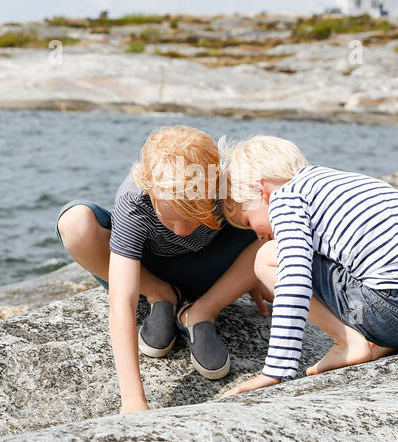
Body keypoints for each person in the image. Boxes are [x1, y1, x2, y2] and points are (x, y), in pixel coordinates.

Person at [219, 135, 398, 396]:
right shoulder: (347, 181)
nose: (259, 234)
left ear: (258, 191)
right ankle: (386, 342)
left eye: (249, 221)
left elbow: (294, 280)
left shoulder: (285, 199)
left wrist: (275, 371)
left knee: (266, 257)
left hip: (395, 311)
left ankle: (347, 341)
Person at [56, 125, 267, 413]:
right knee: (74, 222)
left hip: (212, 273)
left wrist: (256, 275)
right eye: (169, 218)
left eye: (194, 216)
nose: (181, 232)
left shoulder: (227, 182)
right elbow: (122, 305)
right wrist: (133, 400)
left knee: (271, 217)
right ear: (151, 193)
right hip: (149, 272)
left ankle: (201, 312)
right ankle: (161, 295)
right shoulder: (136, 198)